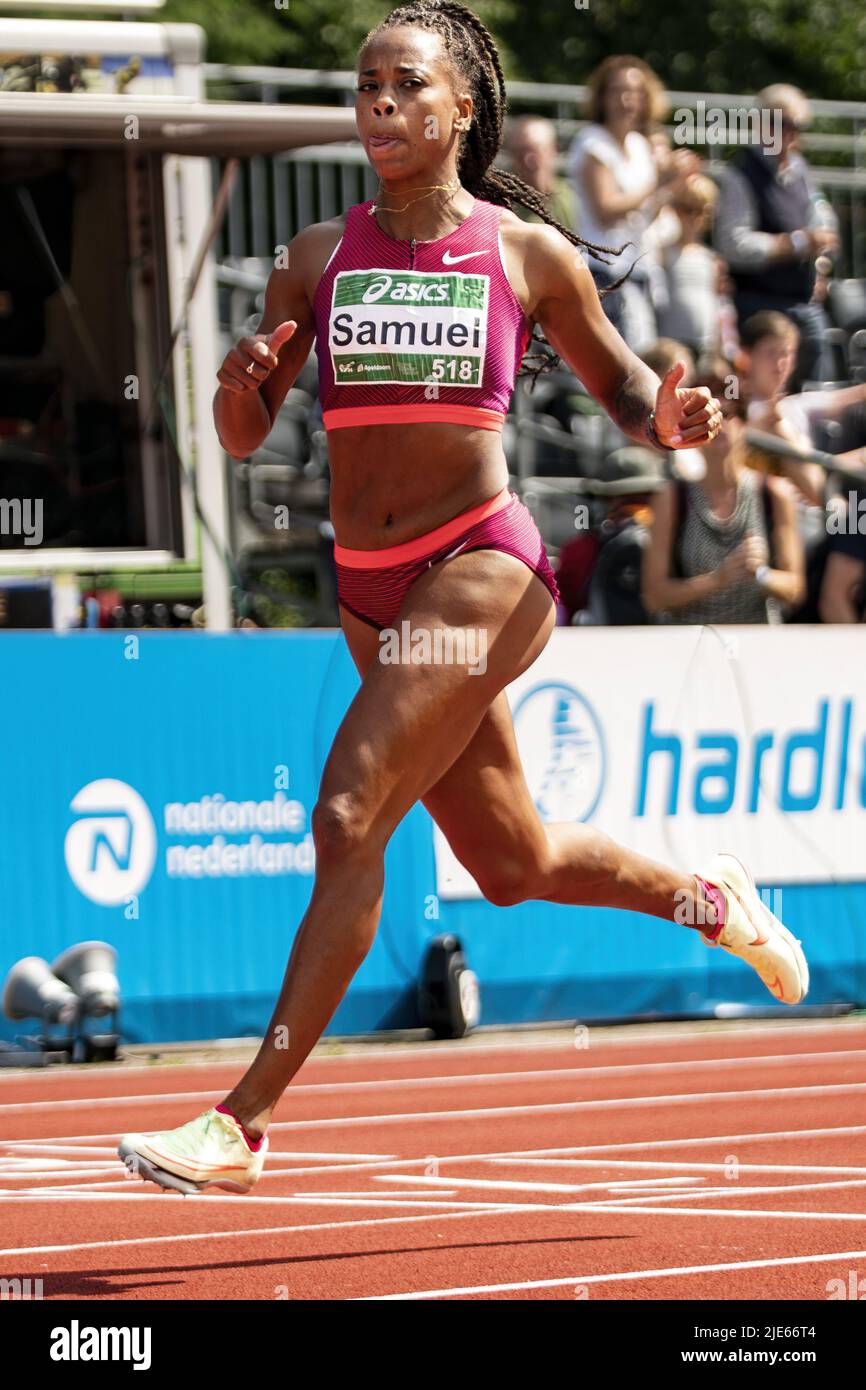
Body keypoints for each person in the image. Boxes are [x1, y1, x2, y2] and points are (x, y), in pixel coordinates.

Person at [117, 1, 808, 1197]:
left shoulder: (521, 253)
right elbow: (240, 439)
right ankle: (713, 898)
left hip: (483, 565)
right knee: (510, 861)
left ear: (461, 109)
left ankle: (243, 1119)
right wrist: (238, 388)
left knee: (345, 815)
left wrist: (674, 416)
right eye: (364, 86)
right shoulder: (316, 257)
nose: (379, 104)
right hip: (367, 587)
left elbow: (624, 385)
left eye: (405, 85)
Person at [642, 364, 805, 625]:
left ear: (743, 424)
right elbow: (654, 595)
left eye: (728, 414)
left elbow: (795, 589)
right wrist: (717, 580)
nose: (720, 425)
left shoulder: (773, 494)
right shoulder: (672, 498)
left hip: (759, 647)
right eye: (705, 418)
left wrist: (761, 574)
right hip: (691, 648)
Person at [566, 55, 696, 352]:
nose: (627, 100)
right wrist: (659, 181)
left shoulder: (639, 145)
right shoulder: (592, 143)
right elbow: (606, 210)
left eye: (635, 92)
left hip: (639, 272)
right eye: (617, 91)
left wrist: (674, 185)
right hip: (605, 273)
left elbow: (646, 211)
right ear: (602, 97)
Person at [713, 84, 840, 388]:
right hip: (759, 307)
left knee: (815, 393)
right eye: (782, 124)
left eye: (797, 126)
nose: (791, 133)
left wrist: (820, 264)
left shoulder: (801, 171)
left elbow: (823, 222)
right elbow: (733, 244)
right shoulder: (741, 174)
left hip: (803, 305)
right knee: (761, 395)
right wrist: (796, 244)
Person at [655, 174, 722, 360]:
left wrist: (717, 350)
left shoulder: (709, 258)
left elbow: (717, 305)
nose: (693, 217)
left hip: (704, 344)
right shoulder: (662, 251)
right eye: (686, 209)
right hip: (671, 342)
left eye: (701, 211)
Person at [505, 114, 577, 231]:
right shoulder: (506, 208)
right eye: (519, 153)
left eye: (534, 151)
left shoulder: (575, 198)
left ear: (553, 150)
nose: (527, 160)